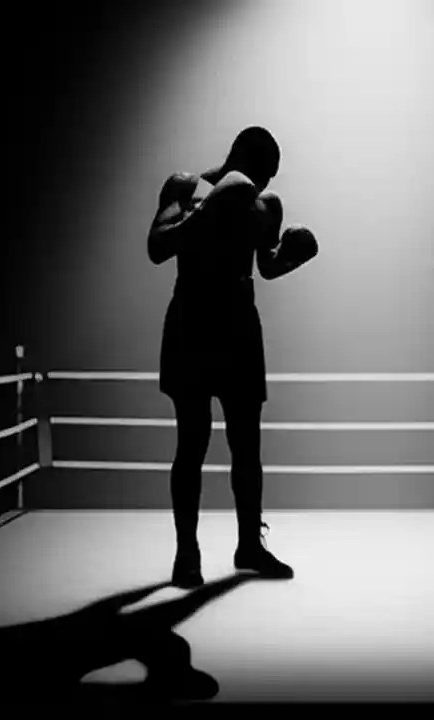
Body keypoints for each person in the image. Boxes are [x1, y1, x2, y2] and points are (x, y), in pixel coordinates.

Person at [148, 126, 318, 587]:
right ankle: (187, 553)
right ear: (240, 158)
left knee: (247, 447)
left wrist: (294, 257)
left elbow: (267, 264)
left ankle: (250, 545)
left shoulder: (267, 206)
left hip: (241, 324)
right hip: (191, 320)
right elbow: (157, 247)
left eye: (268, 180)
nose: (260, 187)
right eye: (260, 175)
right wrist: (207, 212)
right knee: (193, 442)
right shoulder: (188, 187)